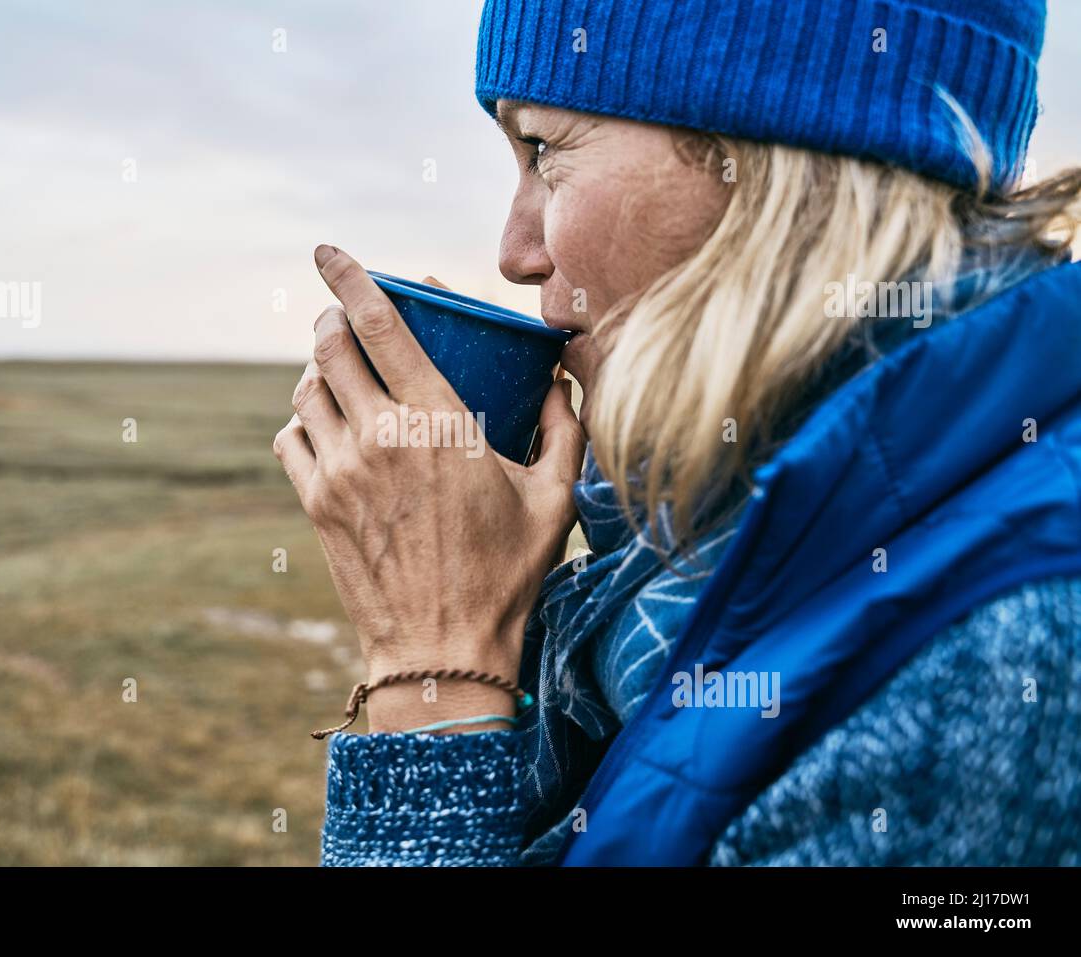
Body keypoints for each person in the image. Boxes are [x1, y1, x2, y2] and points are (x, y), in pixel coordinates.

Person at [273, 0, 1081, 865]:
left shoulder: (996, 667)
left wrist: (433, 661)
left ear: (767, 157)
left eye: (543, 148)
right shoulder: (684, 556)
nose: (515, 251)